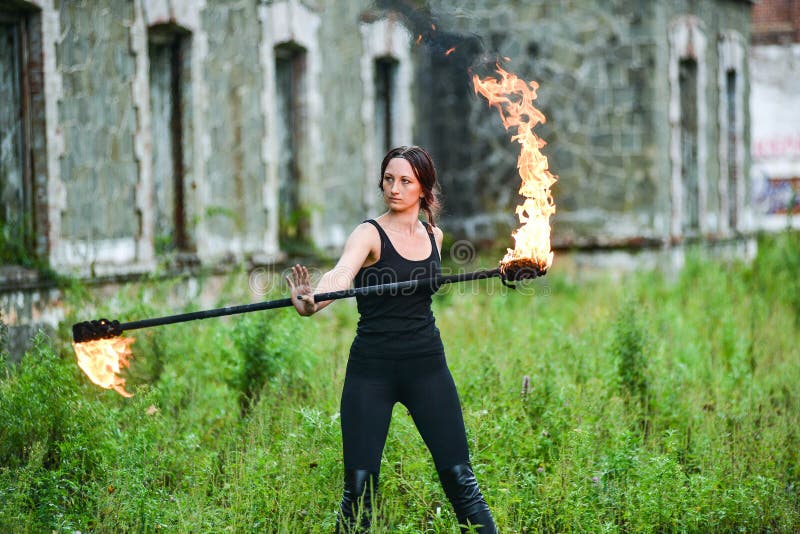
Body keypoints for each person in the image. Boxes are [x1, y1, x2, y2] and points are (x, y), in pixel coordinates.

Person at [286, 146, 497, 533]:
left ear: (423, 188)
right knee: (359, 490)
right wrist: (312, 302)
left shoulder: (435, 234)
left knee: (460, 478)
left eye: (405, 181)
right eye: (388, 179)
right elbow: (340, 275)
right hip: (372, 371)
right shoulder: (369, 233)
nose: (394, 188)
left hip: (427, 367)